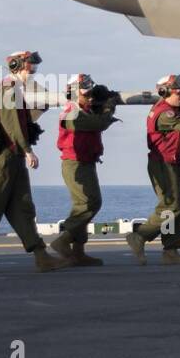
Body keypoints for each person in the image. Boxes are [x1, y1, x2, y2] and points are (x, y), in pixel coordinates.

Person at [0, 50, 67, 274]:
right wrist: (28, 151)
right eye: (30, 67)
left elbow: (25, 119)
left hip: (13, 156)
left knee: (23, 208)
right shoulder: (8, 90)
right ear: (17, 66)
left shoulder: (17, 90)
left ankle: (41, 255)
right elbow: (12, 126)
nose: (33, 71)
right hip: (5, 157)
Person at [125, 74, 180, 266]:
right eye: (179, 93)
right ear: (165, 92)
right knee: (170, 207)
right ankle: (140, 236)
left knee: (175, 209)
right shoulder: (164, 114)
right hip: (163, 165)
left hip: (170, 163)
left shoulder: (167, 109)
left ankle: (170, 250)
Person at [49, 74, 119, 268]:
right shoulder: (71, 112)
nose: (90, 97)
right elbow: (98, 124)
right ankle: (64, 240)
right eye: (85, 93)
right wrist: (108, 107)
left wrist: (101, 102)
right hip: (75, 163)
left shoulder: (83, 109)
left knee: (82, 206)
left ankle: (78, 252)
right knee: (91, 203)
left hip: (86, 161)